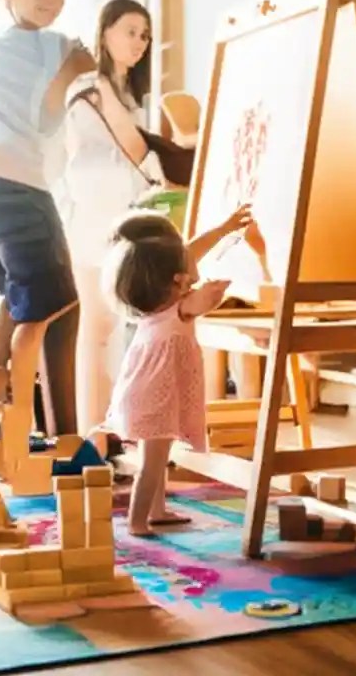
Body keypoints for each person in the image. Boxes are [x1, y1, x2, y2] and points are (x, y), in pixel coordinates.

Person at [0, 0, 97, 438]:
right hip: (14, 187)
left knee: (28, 299)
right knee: (57, 305)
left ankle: (35, 422)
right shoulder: (39, 45)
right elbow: (44, 120)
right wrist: (73, 68)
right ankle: (2, 400)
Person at [101, 205, 251, 536]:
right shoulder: (179, 308)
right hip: (158, 396)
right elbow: (205, 299)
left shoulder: (150, 305)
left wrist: (224, 228)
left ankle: (156, 511)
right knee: (153, 464)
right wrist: (220, 286)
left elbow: (189, 251)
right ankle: (138, 522)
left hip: (148, 391)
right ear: (172, 277)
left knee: (155, 457)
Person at [63, 0, 160, 436]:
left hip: (129, 223)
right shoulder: (89, 87)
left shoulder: (132, 96)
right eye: (130, 31)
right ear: (105, 32)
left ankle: (116, 431)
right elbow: (132, 150)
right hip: (92, 222)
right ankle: (92, 434)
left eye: (145, 35)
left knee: (126, 329)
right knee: (97, 329)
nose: (139, 41)